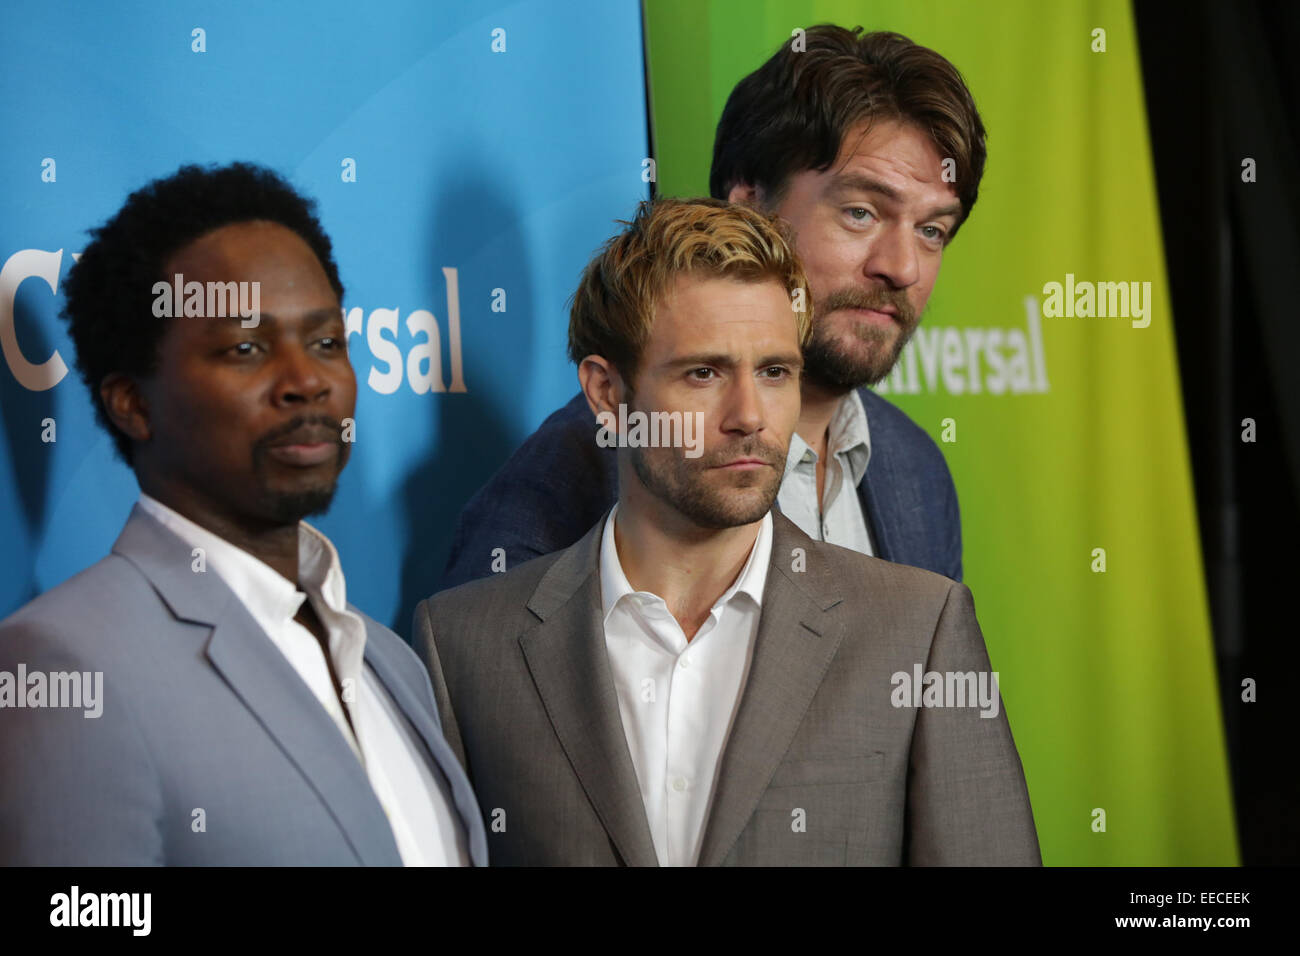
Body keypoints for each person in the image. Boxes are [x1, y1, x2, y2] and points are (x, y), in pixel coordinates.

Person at [415, 199, 1039, 866]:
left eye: (774, 372)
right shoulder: (465, 647)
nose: (749, 416)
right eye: (703, 373)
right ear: (606, 394)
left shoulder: (920, 629)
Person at [0, 162, 486, 866]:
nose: (306, 381)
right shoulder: (66, 667)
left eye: (325, 343)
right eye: (246, 349)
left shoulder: (391, 662)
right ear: (132, 403)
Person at [441, 26, 980, 590]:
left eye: (931, 229)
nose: (903, 267)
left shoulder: (916, 470)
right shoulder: (561, 487)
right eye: (862, 213)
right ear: (749, 205)